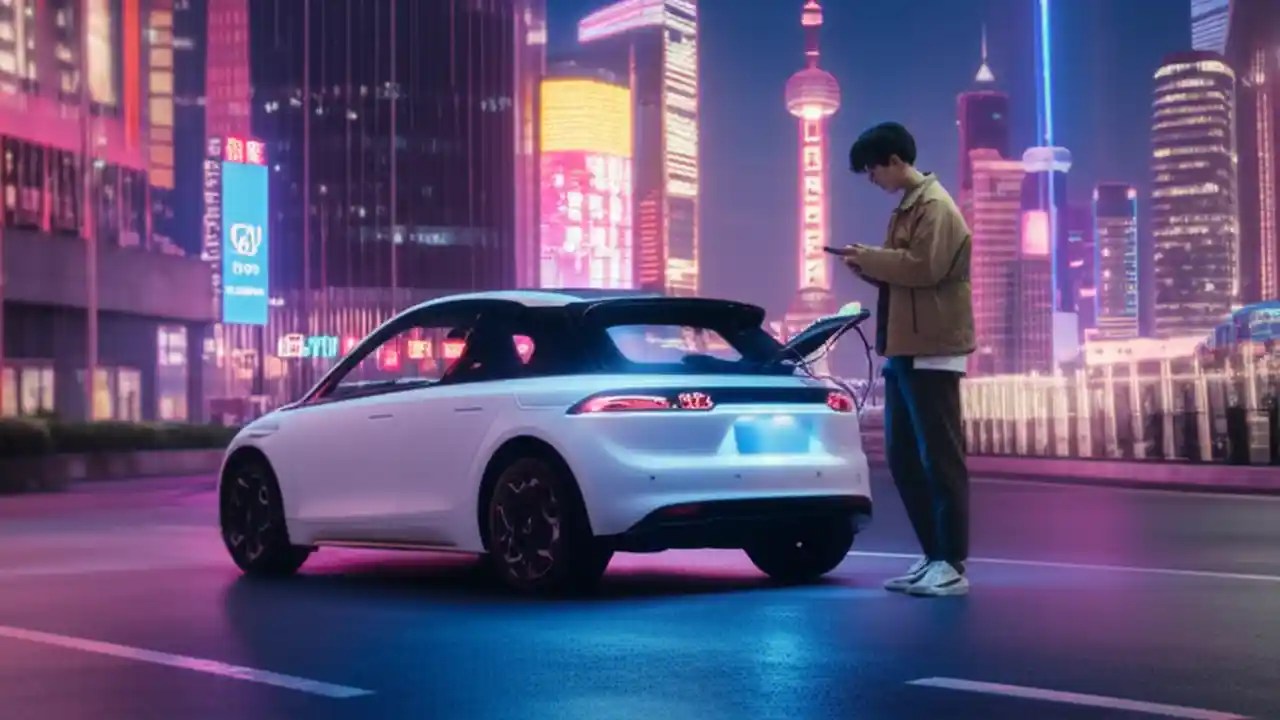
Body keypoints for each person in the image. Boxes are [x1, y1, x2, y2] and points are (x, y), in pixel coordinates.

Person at [838, 122, 975, 597]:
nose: (871, 179)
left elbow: (924, 268)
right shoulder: (909, 207)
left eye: (872, 169)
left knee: (940, 459)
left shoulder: (935, 206)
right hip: (903, 346)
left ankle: (951, 562)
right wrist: (866, 266)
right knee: (903, 458)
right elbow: (905, 273)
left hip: (933, 348)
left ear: (895, 161)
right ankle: (934, 555)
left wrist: (871, 258)